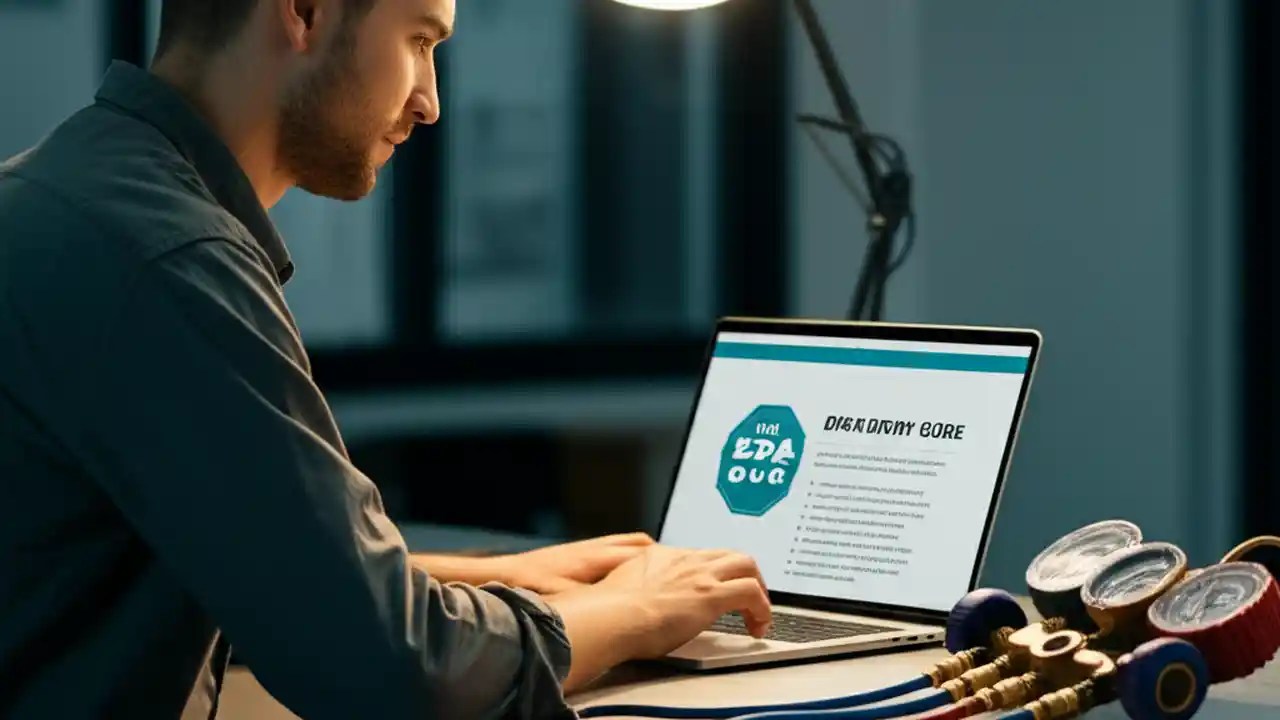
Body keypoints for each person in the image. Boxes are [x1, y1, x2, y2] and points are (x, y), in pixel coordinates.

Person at [0, 0, 773, 717]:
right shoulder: (168, 258)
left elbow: (250, 564)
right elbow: (394, 669)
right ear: (303, 11)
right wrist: (634, 610)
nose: (430, 100)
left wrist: (490, 577)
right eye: (419, 41)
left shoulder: (62, 194)